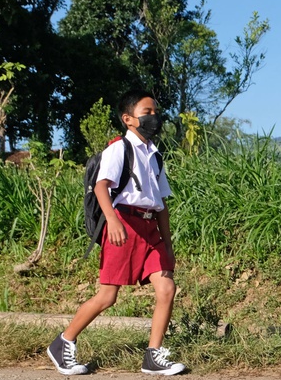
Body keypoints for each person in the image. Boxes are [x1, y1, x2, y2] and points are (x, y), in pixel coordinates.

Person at [48, 90, 184, 376]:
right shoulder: (119, 149)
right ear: (128, 119)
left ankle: (153, 356)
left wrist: (168, 245)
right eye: (146, 112)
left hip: (150, 228)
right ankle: (63, 342)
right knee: (108, 296)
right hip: (124, 224)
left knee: (167, 288)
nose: (154, 117)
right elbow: (101, 186)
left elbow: (162, 205)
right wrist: (112, 221)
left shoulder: (155, 156)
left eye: (155, 112)